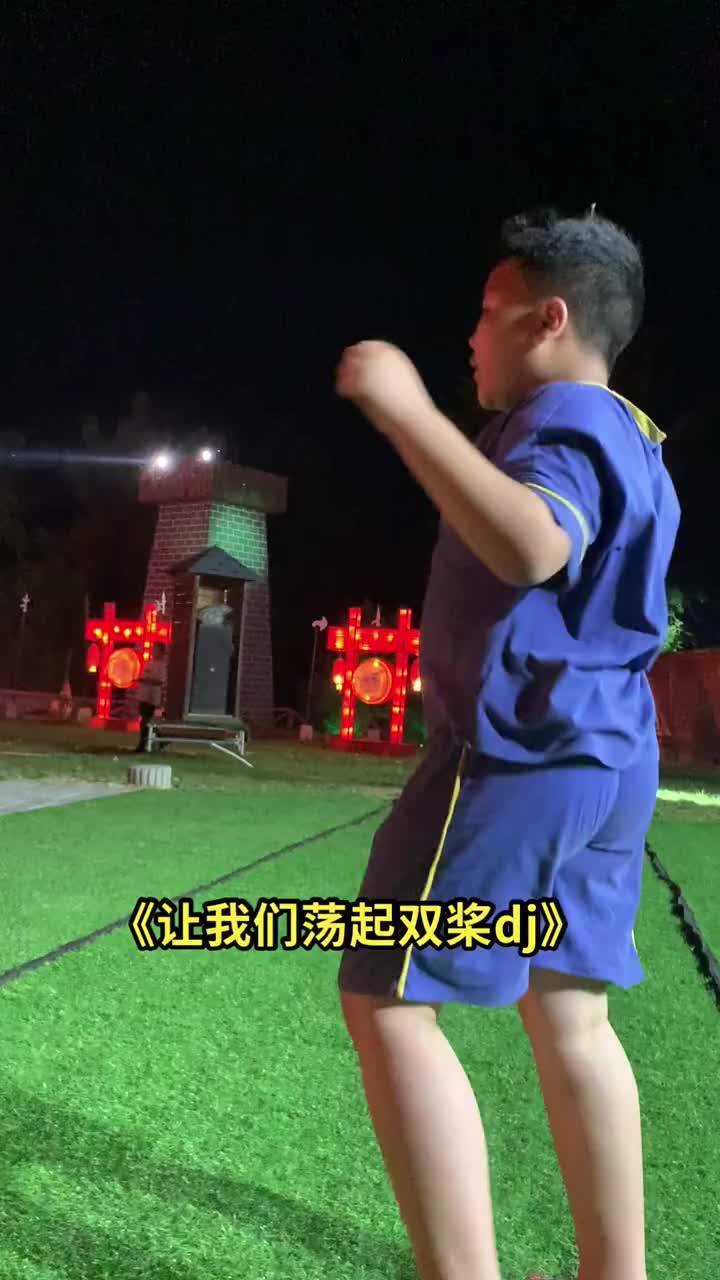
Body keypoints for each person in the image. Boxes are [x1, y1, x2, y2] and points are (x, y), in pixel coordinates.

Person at [335, 207, 680, 1280]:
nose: (472, 336)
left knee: (388, 999)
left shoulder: (561, 416)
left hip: (519, 755)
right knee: (571, 1017)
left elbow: (532, 543)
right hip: (610, 760)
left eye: (490, 311)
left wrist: (405, 411)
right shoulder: (637, 435)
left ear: (549, 318)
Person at [134, 643, 167, 753]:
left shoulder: (161, 666)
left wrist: (146, 681)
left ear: (161, 652)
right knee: (145, 721)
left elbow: (159, 681)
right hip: (144, 696)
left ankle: (144, 744)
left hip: (151, 697)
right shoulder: (150, 663)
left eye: (156, 650)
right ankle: (160, 739)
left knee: (145, 721)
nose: (153, 652)